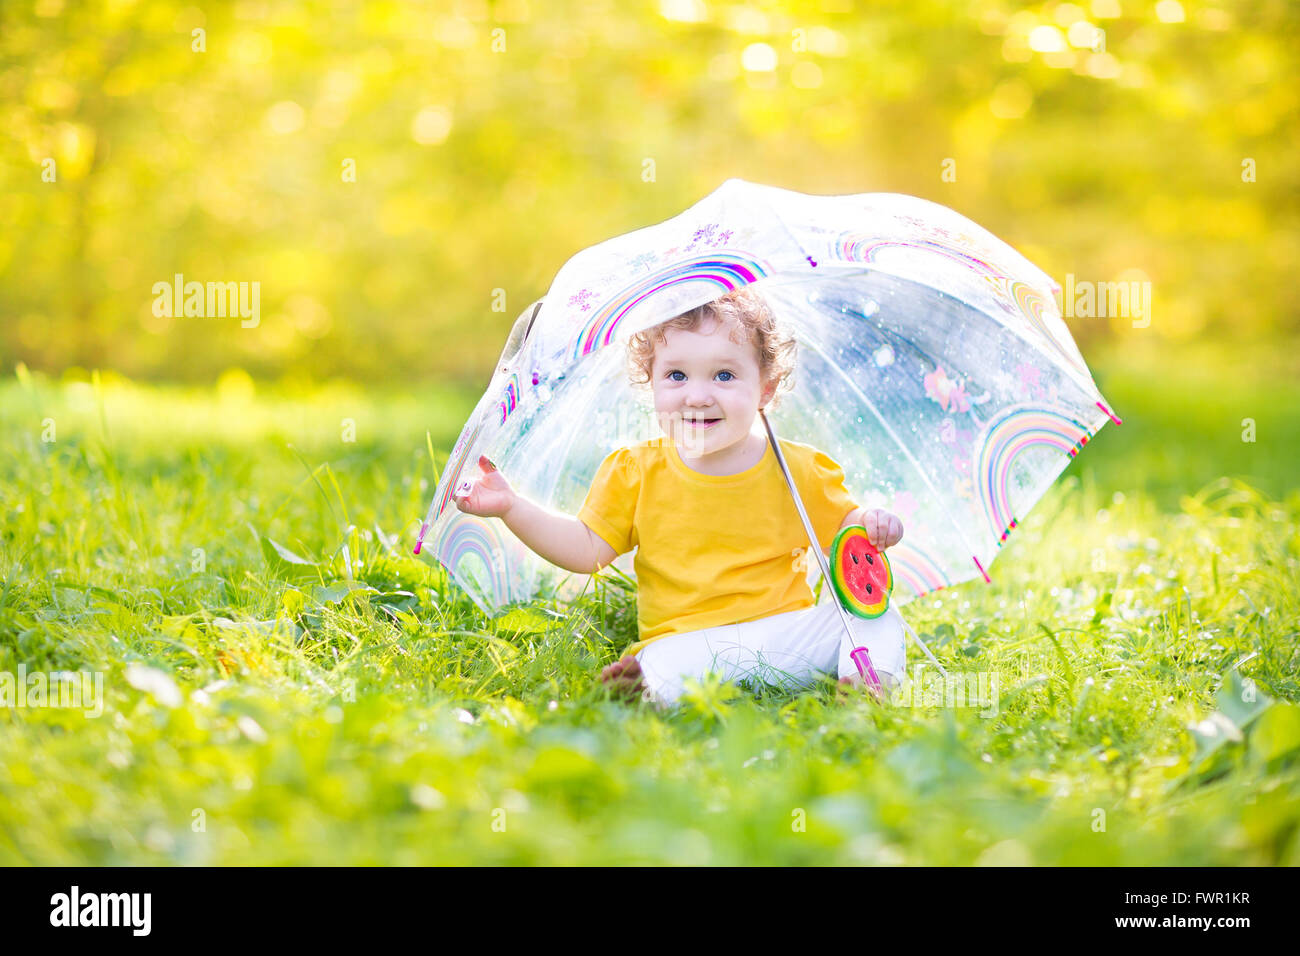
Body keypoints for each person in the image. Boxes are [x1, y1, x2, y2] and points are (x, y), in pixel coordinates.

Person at [452, 286, 906, 706]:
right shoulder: (636, 472)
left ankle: (866, 688)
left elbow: (847, 539)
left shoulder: (799, 470)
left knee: (876, 617)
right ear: (650, 381)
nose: (697, 395)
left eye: (724, 375)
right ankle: (645, 690)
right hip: (689, 644)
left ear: (765, 388)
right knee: (659, 666)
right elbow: (586, 548)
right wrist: (512, 507)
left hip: (785, 639)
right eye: (676, 375)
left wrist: (871, 522)